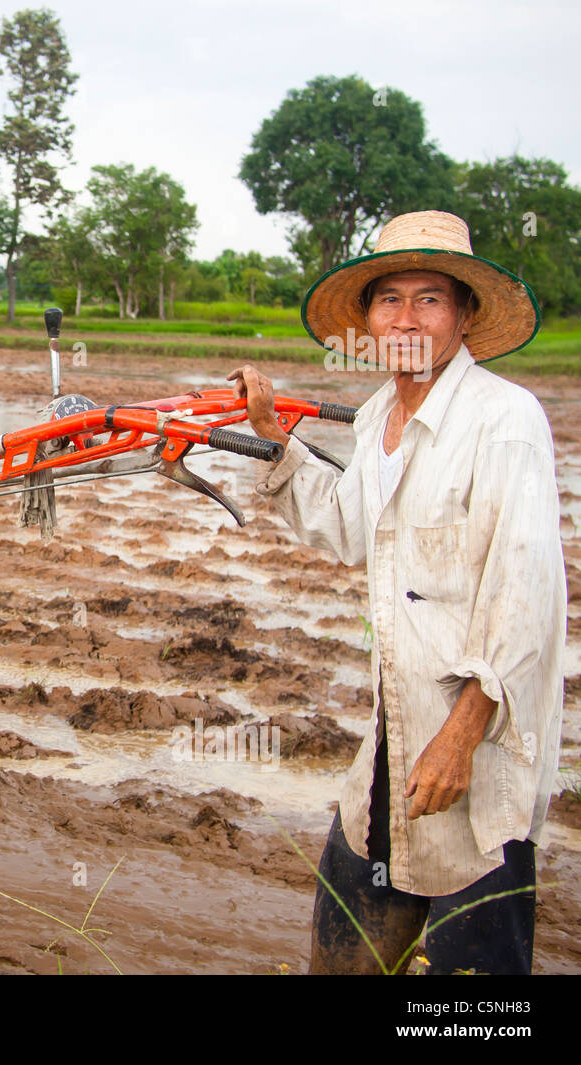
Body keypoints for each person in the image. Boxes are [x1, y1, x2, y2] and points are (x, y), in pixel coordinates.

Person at [228, 210, 565, 975]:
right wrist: (273, 435)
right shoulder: (381, 413)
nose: (406, 318)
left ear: (464, 315)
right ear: (369, 318)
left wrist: (462, 734)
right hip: (394, 745)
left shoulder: (505, 421)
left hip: (476, 763)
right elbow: (350, 525)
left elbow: (527, 595)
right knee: (342, 948)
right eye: (390, 300)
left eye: (429, 299)